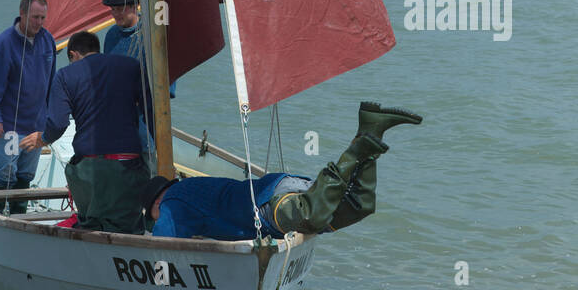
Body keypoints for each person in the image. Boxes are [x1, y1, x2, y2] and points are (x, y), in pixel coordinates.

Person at [141, 102, 422, 239]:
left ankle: (355, 152)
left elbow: (161, 247)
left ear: (157, 202)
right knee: (359, 206)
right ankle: (371, 129)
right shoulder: (193, 191)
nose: (158, 218)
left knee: (312, 215)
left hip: (270, 206)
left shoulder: (172, 200)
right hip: (286, 186)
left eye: (153, 216)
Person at [20, 30, 151, 233]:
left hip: (89, 169)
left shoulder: (65, 76)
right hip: (130, 164)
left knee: (91, 226)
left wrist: (43, 138)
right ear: (96, 49)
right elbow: (150, 111)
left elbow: (58, 123)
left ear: (73, 54)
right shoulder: (132, 66)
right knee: (129, 227)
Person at [0, 0, 56, 214]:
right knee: (6, 172)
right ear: (22, 14)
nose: (39, 23)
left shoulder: (48, 41)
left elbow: (51, 82)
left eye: (42, 18)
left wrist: (51, 117)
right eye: (35, 17)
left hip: (36, 126)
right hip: (10, 128)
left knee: (26, 174)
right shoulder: (3, 45)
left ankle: (19, 215)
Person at [100, 0, 173, 158]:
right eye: (113, 9)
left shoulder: (152, 36)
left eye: (120, 9)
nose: (115, 14)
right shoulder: (111, 36)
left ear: (134, 6)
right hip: (117, 122)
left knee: (147, 162)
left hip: (146, 123)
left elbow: (167, 80)